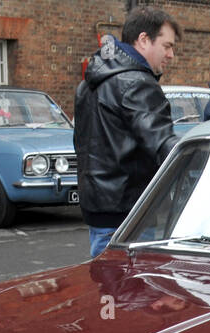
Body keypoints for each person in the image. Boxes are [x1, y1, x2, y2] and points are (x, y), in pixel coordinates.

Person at [74, 8, 180, 259]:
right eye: (167, 45)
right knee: (133, 294)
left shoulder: (90, 82)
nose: (171, 54)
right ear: (144, 39)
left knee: (108, 290)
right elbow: (165, 147)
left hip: (99, 208)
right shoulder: (138, 83)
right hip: (132, 214)